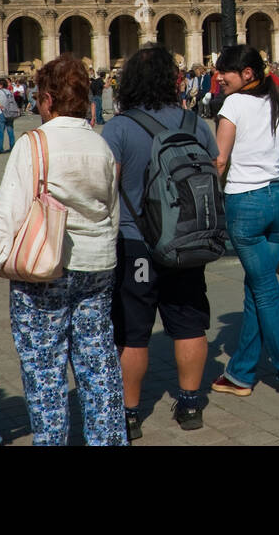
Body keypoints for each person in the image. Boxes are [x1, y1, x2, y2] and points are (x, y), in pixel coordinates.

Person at [0, 56, 126, 446]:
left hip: (44, 271)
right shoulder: (102, 146)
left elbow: (6, 218)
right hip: (96, 269)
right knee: (99, 365)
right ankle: (109, 440)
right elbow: (111, 213)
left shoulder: (34, 143)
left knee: (45, 372)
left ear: (46, 99)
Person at [101, 45, 220, 438]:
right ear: (173, 80)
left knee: (133, 331)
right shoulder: (194, 121)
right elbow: (215, 167)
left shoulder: (119, 128)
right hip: (187, 239)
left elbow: (106, 186)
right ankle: (189, 406)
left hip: (137, 243)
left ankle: (130, 413)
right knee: (189, 323)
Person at [213, 45, 279, 396]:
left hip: (246, 205)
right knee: (257, 287)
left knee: (265, 292)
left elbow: (220, 160)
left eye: (227, 71)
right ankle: (240, 374)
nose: (220, 77)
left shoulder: (234, 105)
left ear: (248, 74)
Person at [0, 76, 19, 154]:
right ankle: (12, 146)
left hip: (1, 113)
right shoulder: (9, 92)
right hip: (10, 113)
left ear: (1, 85)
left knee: (0, 132)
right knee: (10, 131)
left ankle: (0, 148)